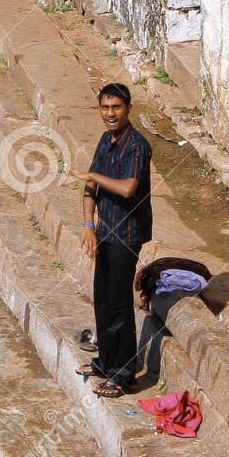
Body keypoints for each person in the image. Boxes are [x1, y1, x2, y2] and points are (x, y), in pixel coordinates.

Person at [69, 83, 153, 398]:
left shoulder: (137, 146)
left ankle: (124, 375)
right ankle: (105, 361)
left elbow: (128, 188)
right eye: (105, 108)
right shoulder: (106, 140)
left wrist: (92, 177)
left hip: (127, 234)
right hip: (104, 232)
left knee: (119, 305)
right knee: (102, 300)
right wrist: (88, 225)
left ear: (128, 109)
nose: (110, 114)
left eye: (116, 107)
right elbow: (90, 187)